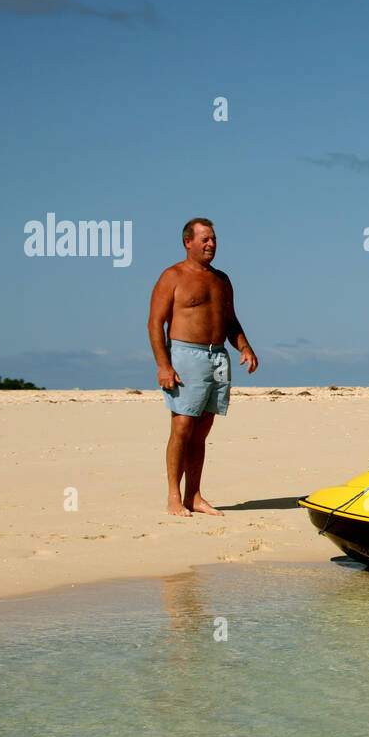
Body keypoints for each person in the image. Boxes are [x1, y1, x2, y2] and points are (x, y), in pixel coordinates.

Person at [148, 218, 258, 516]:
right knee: (182, 425)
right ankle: (173, 496)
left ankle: (193, 496)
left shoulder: (222, 279)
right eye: (205, 239)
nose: (211, 244)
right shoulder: (173, 276)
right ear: (188, 242)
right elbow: (155, 323)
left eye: (213, 239)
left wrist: (245, 347)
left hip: (218, 356)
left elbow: (231, 321)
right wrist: (163, 365)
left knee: (202, 429)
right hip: (185, 354)